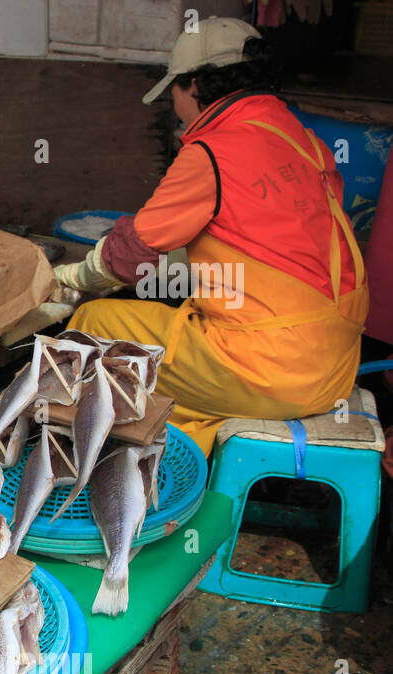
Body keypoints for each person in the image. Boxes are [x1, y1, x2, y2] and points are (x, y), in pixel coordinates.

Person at [55, 17, 367, 456]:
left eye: (175, 91)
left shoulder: (213, 150)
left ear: (196, 84)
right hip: (333, 367)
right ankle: (181, 442)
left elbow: (126, 257)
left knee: (92, 325)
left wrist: (67, 278)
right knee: (178, 316)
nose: (174, 104)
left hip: (268, 370)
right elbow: (269, 249)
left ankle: (87, 462)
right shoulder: (300, 139)